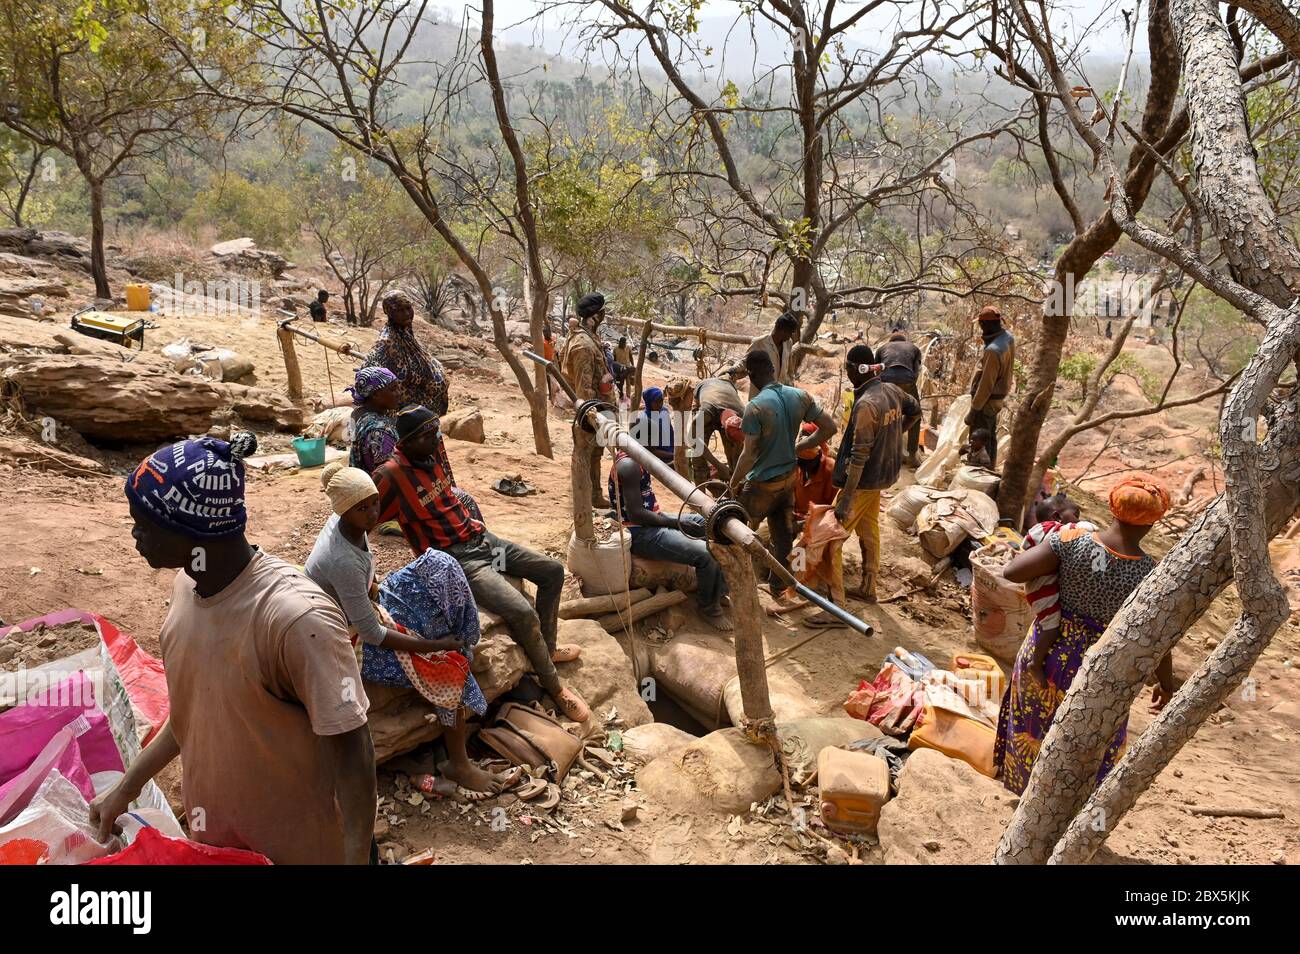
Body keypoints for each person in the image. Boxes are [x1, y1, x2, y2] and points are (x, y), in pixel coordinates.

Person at [91, 434, 376, 864]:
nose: (135, 534)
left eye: (146, 523)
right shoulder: (188, 586)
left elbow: (354, 749)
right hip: (222, 845)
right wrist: (125, 789)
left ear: (193, 533)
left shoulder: (296, 619)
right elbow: (191, 714)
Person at [306, 462, 514, 798]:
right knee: (448, 667)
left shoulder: (346, 525)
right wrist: (432, 645)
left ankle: (463, 639)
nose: (374, 512)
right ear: (344, 510)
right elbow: (372, 633)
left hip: (368, 602)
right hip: (350, 639)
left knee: (439, 563)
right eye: (364, 508)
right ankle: (458, 763)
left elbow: (365, 579)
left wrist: (372, 588)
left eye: (374, 502)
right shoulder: (341, 559)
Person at [373, 406, 590, 722]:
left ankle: (548, 648)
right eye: (430, 434)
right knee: (521, 611)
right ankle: (554, 687)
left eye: (436, 431)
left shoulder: (430, 455)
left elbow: (452, 495)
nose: (438, 438)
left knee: (553, 571)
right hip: (459, 560)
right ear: (409, 441)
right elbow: (363, 518)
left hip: (482, 540)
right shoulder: (390, 476)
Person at [994, 475, 1176, 795]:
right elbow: (1158, 639)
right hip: (1099, 671)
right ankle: (1065, 817)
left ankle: (1022, 804)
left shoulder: (1070, 541)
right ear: (1154, 521)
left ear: (1112, 506)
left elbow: (1012, 572)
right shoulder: (1151, 576)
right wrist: (1166, 682)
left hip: (1047, 654)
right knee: (1082, 750)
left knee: (1033, 733)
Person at [820, 345, 921, 610]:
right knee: (869, 530)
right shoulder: (891, 390)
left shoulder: (867, 405)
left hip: (863, 482)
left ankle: (835, 606)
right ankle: (868, 587)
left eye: (848, 369)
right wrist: (895, 434)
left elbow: (858, 456)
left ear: (858, 369)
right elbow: (915, 410)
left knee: (832, 540)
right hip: (882, 476)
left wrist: (846, 498)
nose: (848, 373)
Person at [728, 350, 837, 593]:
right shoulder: (799, 395)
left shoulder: (755, 408)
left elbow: (749, 454)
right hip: (788, 478)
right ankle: (778, 586)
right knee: (783, 536)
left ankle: (733, 585)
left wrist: (732, 483)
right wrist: (801, 446)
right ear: (773, 370)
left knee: (736, 530)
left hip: (762, 484)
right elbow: (830, 427)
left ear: (752, 376)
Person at [609, 442, 731, 631]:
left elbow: (665, 457)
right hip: (639, 532)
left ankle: (718, 590)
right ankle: (709, 609)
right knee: (706, 554)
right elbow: (635, 514)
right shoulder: (629, 466)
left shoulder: (640, 454)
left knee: (708, 523)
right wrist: (676, 524)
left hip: (653, 519)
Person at [559, 291, 614, 507]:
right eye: (602, 312)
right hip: (590, 413)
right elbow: (584, 388)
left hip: (598, 409)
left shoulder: (589, 338)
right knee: (585, 453)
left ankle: (594, 495)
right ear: (595, 315)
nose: (604, 316)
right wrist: (594, 417)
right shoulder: (583, 345)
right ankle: (585, 499)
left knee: (595, 455)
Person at [366, 290, 450, 415]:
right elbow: (377, 382)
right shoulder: (386, 343)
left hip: (426, 409)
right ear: (390, 313)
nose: (407, 314)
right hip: (406, 415)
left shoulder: (406, 334)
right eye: (400, 310)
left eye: (408, 308)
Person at [966, 305, 1015, 467]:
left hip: (985, 401)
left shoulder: (993, 350)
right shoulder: (1007, 338)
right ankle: (990, 469)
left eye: (981, 324)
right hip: (996, 399)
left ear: (986, 325)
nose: (980, 328)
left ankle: (980, 473)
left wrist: (973, 411)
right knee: (989, 437)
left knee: (979, 440)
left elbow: (986, 385)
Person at [725, 311, 802, 398]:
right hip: (761, 395)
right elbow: (746, 361)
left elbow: (789, 369)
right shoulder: (760, 342)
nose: (791, 336)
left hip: (780, 395)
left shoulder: (788, 343)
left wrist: (790, 386)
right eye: (790, 333)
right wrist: (733, 370)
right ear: (782, 331)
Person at [877, 329, 924, 467]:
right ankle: (912, 455)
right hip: (907, 381)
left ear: (891, 341)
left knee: (885, 414)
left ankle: (883, 453)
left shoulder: (882, 348)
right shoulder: (914, 348)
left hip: (886, 382)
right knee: (915, 414)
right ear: (904, 341)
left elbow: (877, 370)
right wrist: (907, 385)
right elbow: (916, 371)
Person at [347, 365, 403, 473]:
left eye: (398, 387)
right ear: (375, 394)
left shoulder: (357, 414)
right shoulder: (380, 430)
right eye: (393, 389)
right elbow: (391, 473)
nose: (399, 393)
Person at [690, 377, 746, 483]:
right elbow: (693, 440)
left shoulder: (744, 415)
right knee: (698, 459)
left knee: (735, 458)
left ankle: (734, 489)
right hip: (705, 387)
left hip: (727, 385)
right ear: (722, 428)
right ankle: (698, 496)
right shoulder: (706, 412)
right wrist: (718, 465)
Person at [793, 421, 837, 522]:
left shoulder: (830, 469)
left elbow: (831, 507)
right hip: (796, 516)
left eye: (807, 464)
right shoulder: (796, 465)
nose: (804, 468)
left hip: (818, 520)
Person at [635, 386, 676, 465]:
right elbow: (650, 451)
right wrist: (673, 456)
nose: (660, 404)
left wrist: (677, 451)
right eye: (656, 401)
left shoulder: (664, 411)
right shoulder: (644, 420)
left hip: (671, 451)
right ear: (649, 402)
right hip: (659, 459)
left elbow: (671, 433)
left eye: (661, 400)